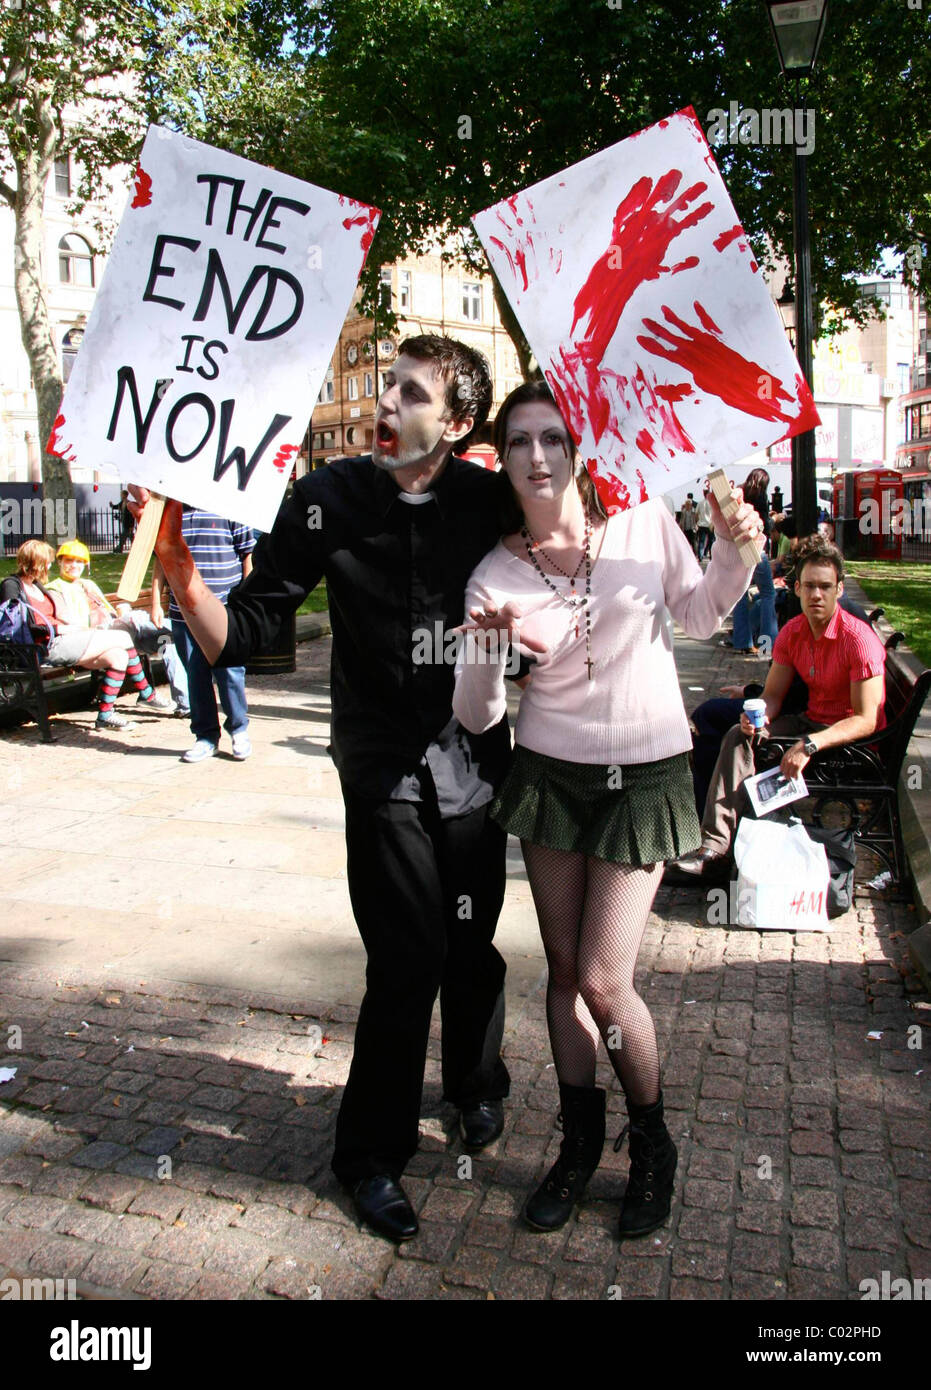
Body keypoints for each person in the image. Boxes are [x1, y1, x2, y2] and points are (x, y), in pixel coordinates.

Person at [129, 335, 517, 1243]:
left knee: (472, 942)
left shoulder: (489, 500)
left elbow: (569, 562)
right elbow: (255, 632)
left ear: (457, 424)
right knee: (406, 955)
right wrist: (184, 574)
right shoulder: (325, 499)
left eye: (410, 393)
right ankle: (369, 1158)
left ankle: (475, 1085)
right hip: (379, 763)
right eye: (386, 386)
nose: (384, 404)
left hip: (475, 755)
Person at [451, 382, 762, 1239]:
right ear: (502, 458)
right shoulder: (495, 570)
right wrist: (482, 651)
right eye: (519, 443)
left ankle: (651, 1142)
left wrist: (737, 555)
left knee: (602, 979)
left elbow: (699, 615)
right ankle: (579, 1146)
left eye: (554, 437)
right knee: (559, 976)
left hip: (645, 773)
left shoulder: (638, 521)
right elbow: (478, 717)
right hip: (551, 777)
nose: (539, 456)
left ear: (579, 447)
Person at [666, 534, 886, 883]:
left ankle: (728, 846)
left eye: (825, 587)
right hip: (808, 722)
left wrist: (811, 745)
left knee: (731, 727)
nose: (816, 595)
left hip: (846, 737)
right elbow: (773, 697)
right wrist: (758, 717)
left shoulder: (857, 639)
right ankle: (716, 848)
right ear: (796, 588)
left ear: (839, 590)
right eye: (809, 586)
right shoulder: (793, 632)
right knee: (739, 734)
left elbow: (867, 719)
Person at [0, 540, 173, 730]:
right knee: (123, 638)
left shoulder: (36, 585)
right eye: (47, 562)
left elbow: (55, 615)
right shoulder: (12, 585)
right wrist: (61, 629)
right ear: (36, 562)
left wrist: (73, 626)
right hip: (44, 647)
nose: (50, 565)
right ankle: (147, 694)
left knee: (119, 655)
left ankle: (105, 715)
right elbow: (17, 625)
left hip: (63, 640)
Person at [47, 540, 189, 715]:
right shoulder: (55, 589)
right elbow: (71, 622)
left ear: (85, 564)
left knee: (167, 642)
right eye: (69, 560)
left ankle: (185, 705)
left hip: (121, 631)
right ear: (60, 562)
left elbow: (108, 610)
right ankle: (187, 628)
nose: (74, 565)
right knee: (135, 618)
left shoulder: (88, 585)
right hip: (97, 636)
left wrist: (119, 611)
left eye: (79, 561)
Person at [161, 510, 255, 763]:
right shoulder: (171, 511)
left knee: (229, 671)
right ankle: (205, 736)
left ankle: (238, 729)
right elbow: (161, 557)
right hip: (183, 611)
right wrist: (154, 602)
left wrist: (245, 596)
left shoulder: (228, 506)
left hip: (223, 608)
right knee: (195, 674)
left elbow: (248, 553)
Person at [727, 467, 777, 655]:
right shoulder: (761, 497)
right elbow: (764, 524)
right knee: (768, 594)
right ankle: (767, 642)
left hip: (739, 548)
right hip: (757, 549)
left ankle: (742, 642)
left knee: (741, 594)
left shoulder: (741, 492)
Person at [696, 481, 713, 561]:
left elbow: (696, 514)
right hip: (710, 524)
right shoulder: (712, 503)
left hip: (702, 524)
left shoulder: (700, 503)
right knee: (711, 541)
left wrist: (697, 522)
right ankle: (711, 555)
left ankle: (700, 556)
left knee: (701, 541)